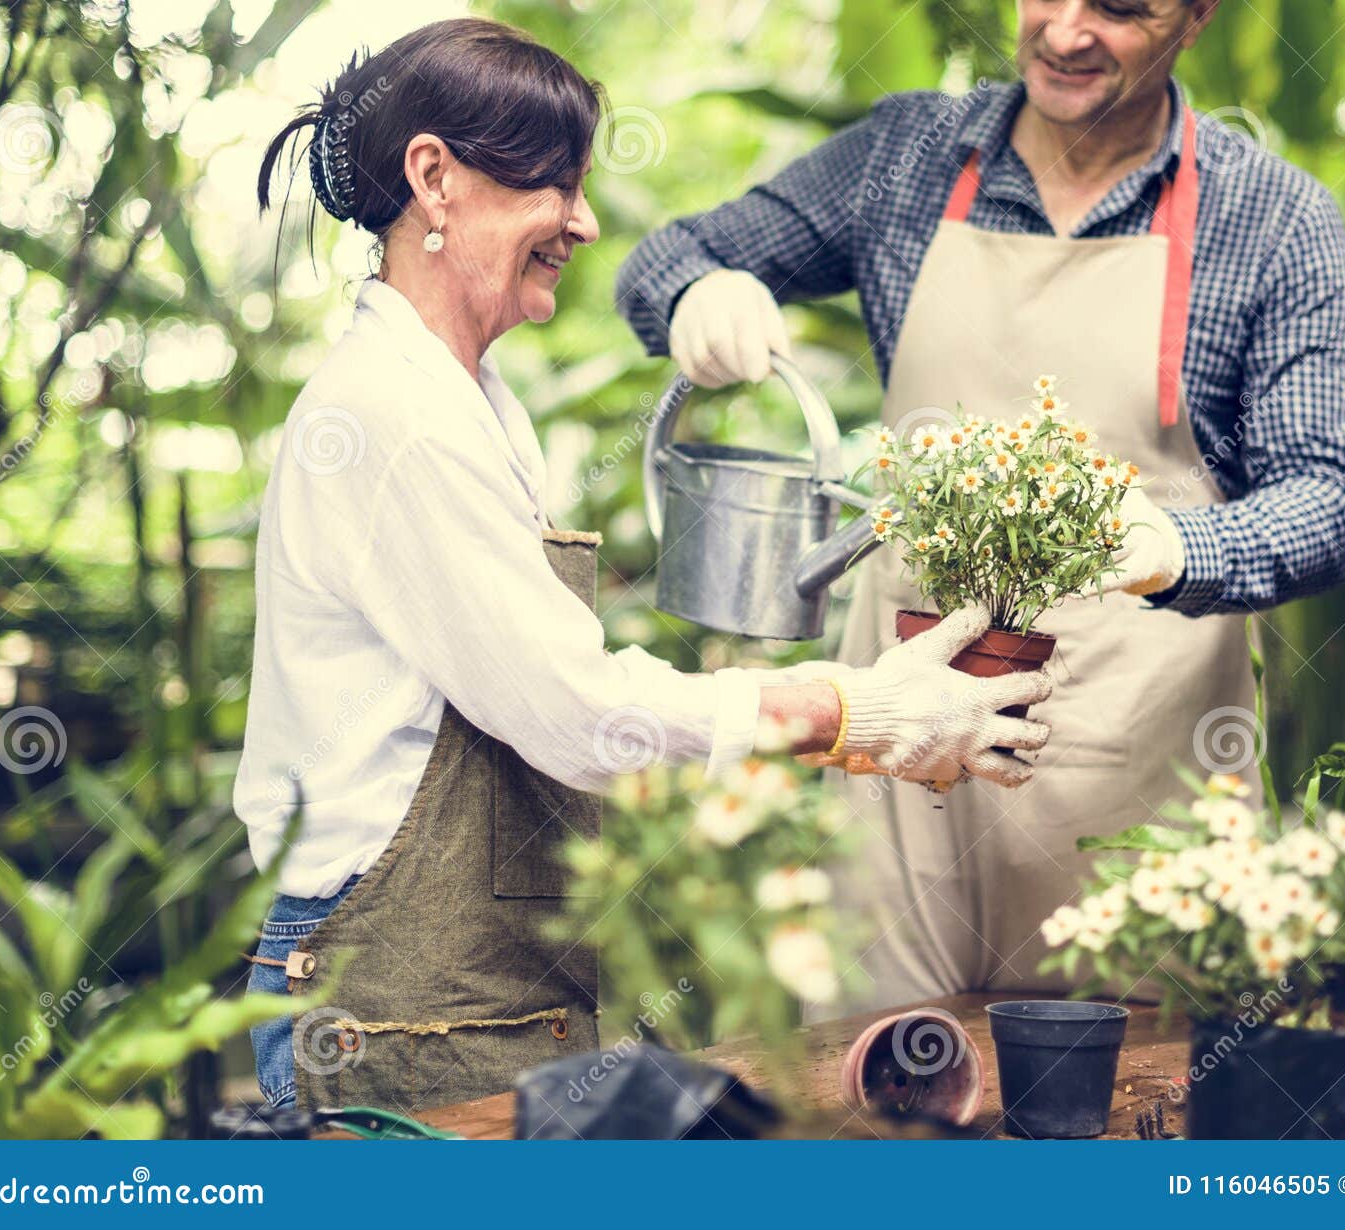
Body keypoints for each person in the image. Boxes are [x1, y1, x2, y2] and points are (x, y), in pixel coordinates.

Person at [237, 17, 1052, 1114]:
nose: (579, 220)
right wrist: (854, 713)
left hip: (475, 990)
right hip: (387, 1005)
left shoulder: (469, 401)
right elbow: (580, 717)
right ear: (433, 177)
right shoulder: (391, 416)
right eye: (552, 186)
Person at [618, 0, 1345, 1009]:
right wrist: (693, 295)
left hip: (1134, 776)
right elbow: (665, 255)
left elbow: (1327, 502)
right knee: (878, 1105)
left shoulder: (1271, 218)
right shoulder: (909, 158)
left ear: (1194, 19)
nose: (1063, 32)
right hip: (903, 752)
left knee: (1120, 1115)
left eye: (1117, 9)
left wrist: (1171, 548)